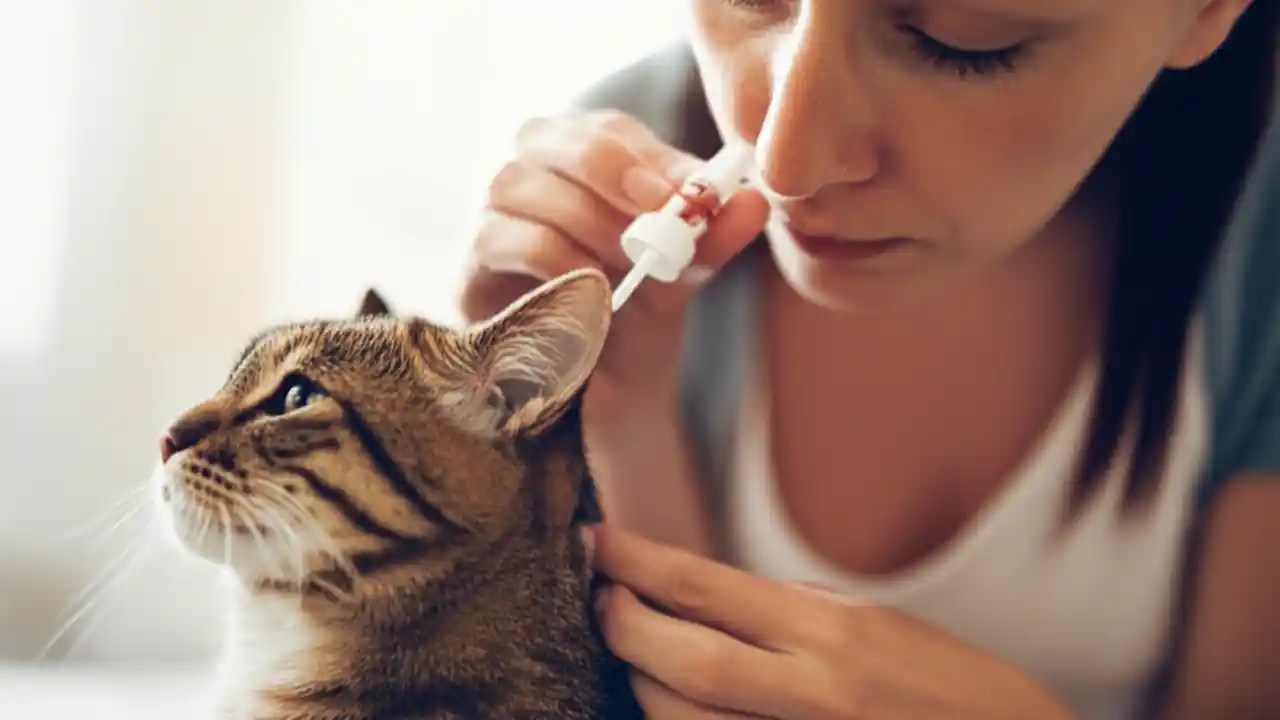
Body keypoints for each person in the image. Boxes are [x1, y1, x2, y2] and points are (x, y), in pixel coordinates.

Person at [462, 1, 1279, 717]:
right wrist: (616, 406)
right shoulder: (615, 192)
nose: (788, 162)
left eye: (962, 42)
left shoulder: (1259, 248)